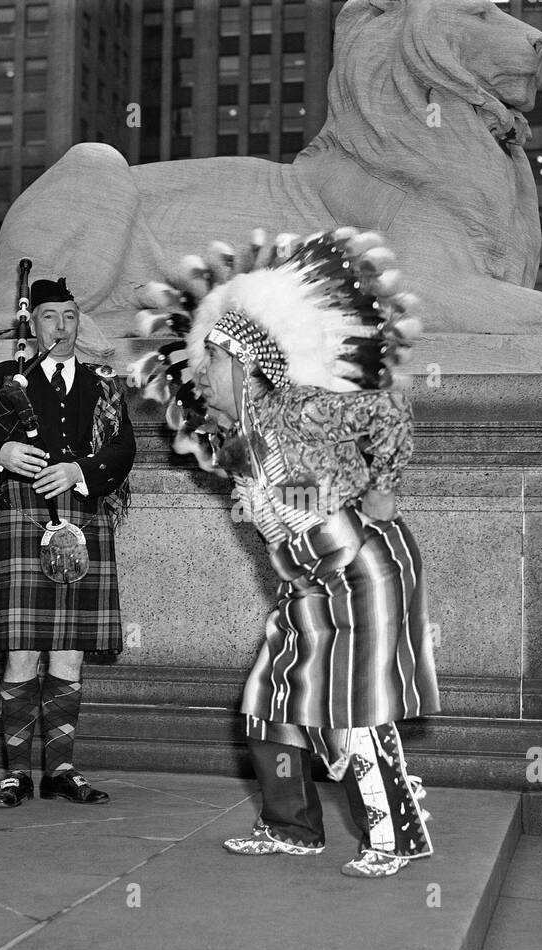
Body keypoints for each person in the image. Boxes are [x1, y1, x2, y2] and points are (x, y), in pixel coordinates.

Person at [130, 228, 438, 877]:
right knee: (272, 698)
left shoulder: (298, 408)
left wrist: (382, 489)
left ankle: (395, 836)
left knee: (353, 707)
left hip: (361, 565)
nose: (198, 378)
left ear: (240, 360)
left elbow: (391, 412)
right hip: (306, 578)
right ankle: (291, 825)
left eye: (208, 363)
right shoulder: (232, 439)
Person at [0, 278, 135, 808]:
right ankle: (15, 775)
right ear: (32, 325)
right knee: (20, 656)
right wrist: (0, 453)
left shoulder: (102, 384)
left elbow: (123, 448)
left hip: (82, 519)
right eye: (51, 316)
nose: (62, 326)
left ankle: (60, 769)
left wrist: (81, 470)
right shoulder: (4, 378)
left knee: (69, 656)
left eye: (71, 316)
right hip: (23, 520)